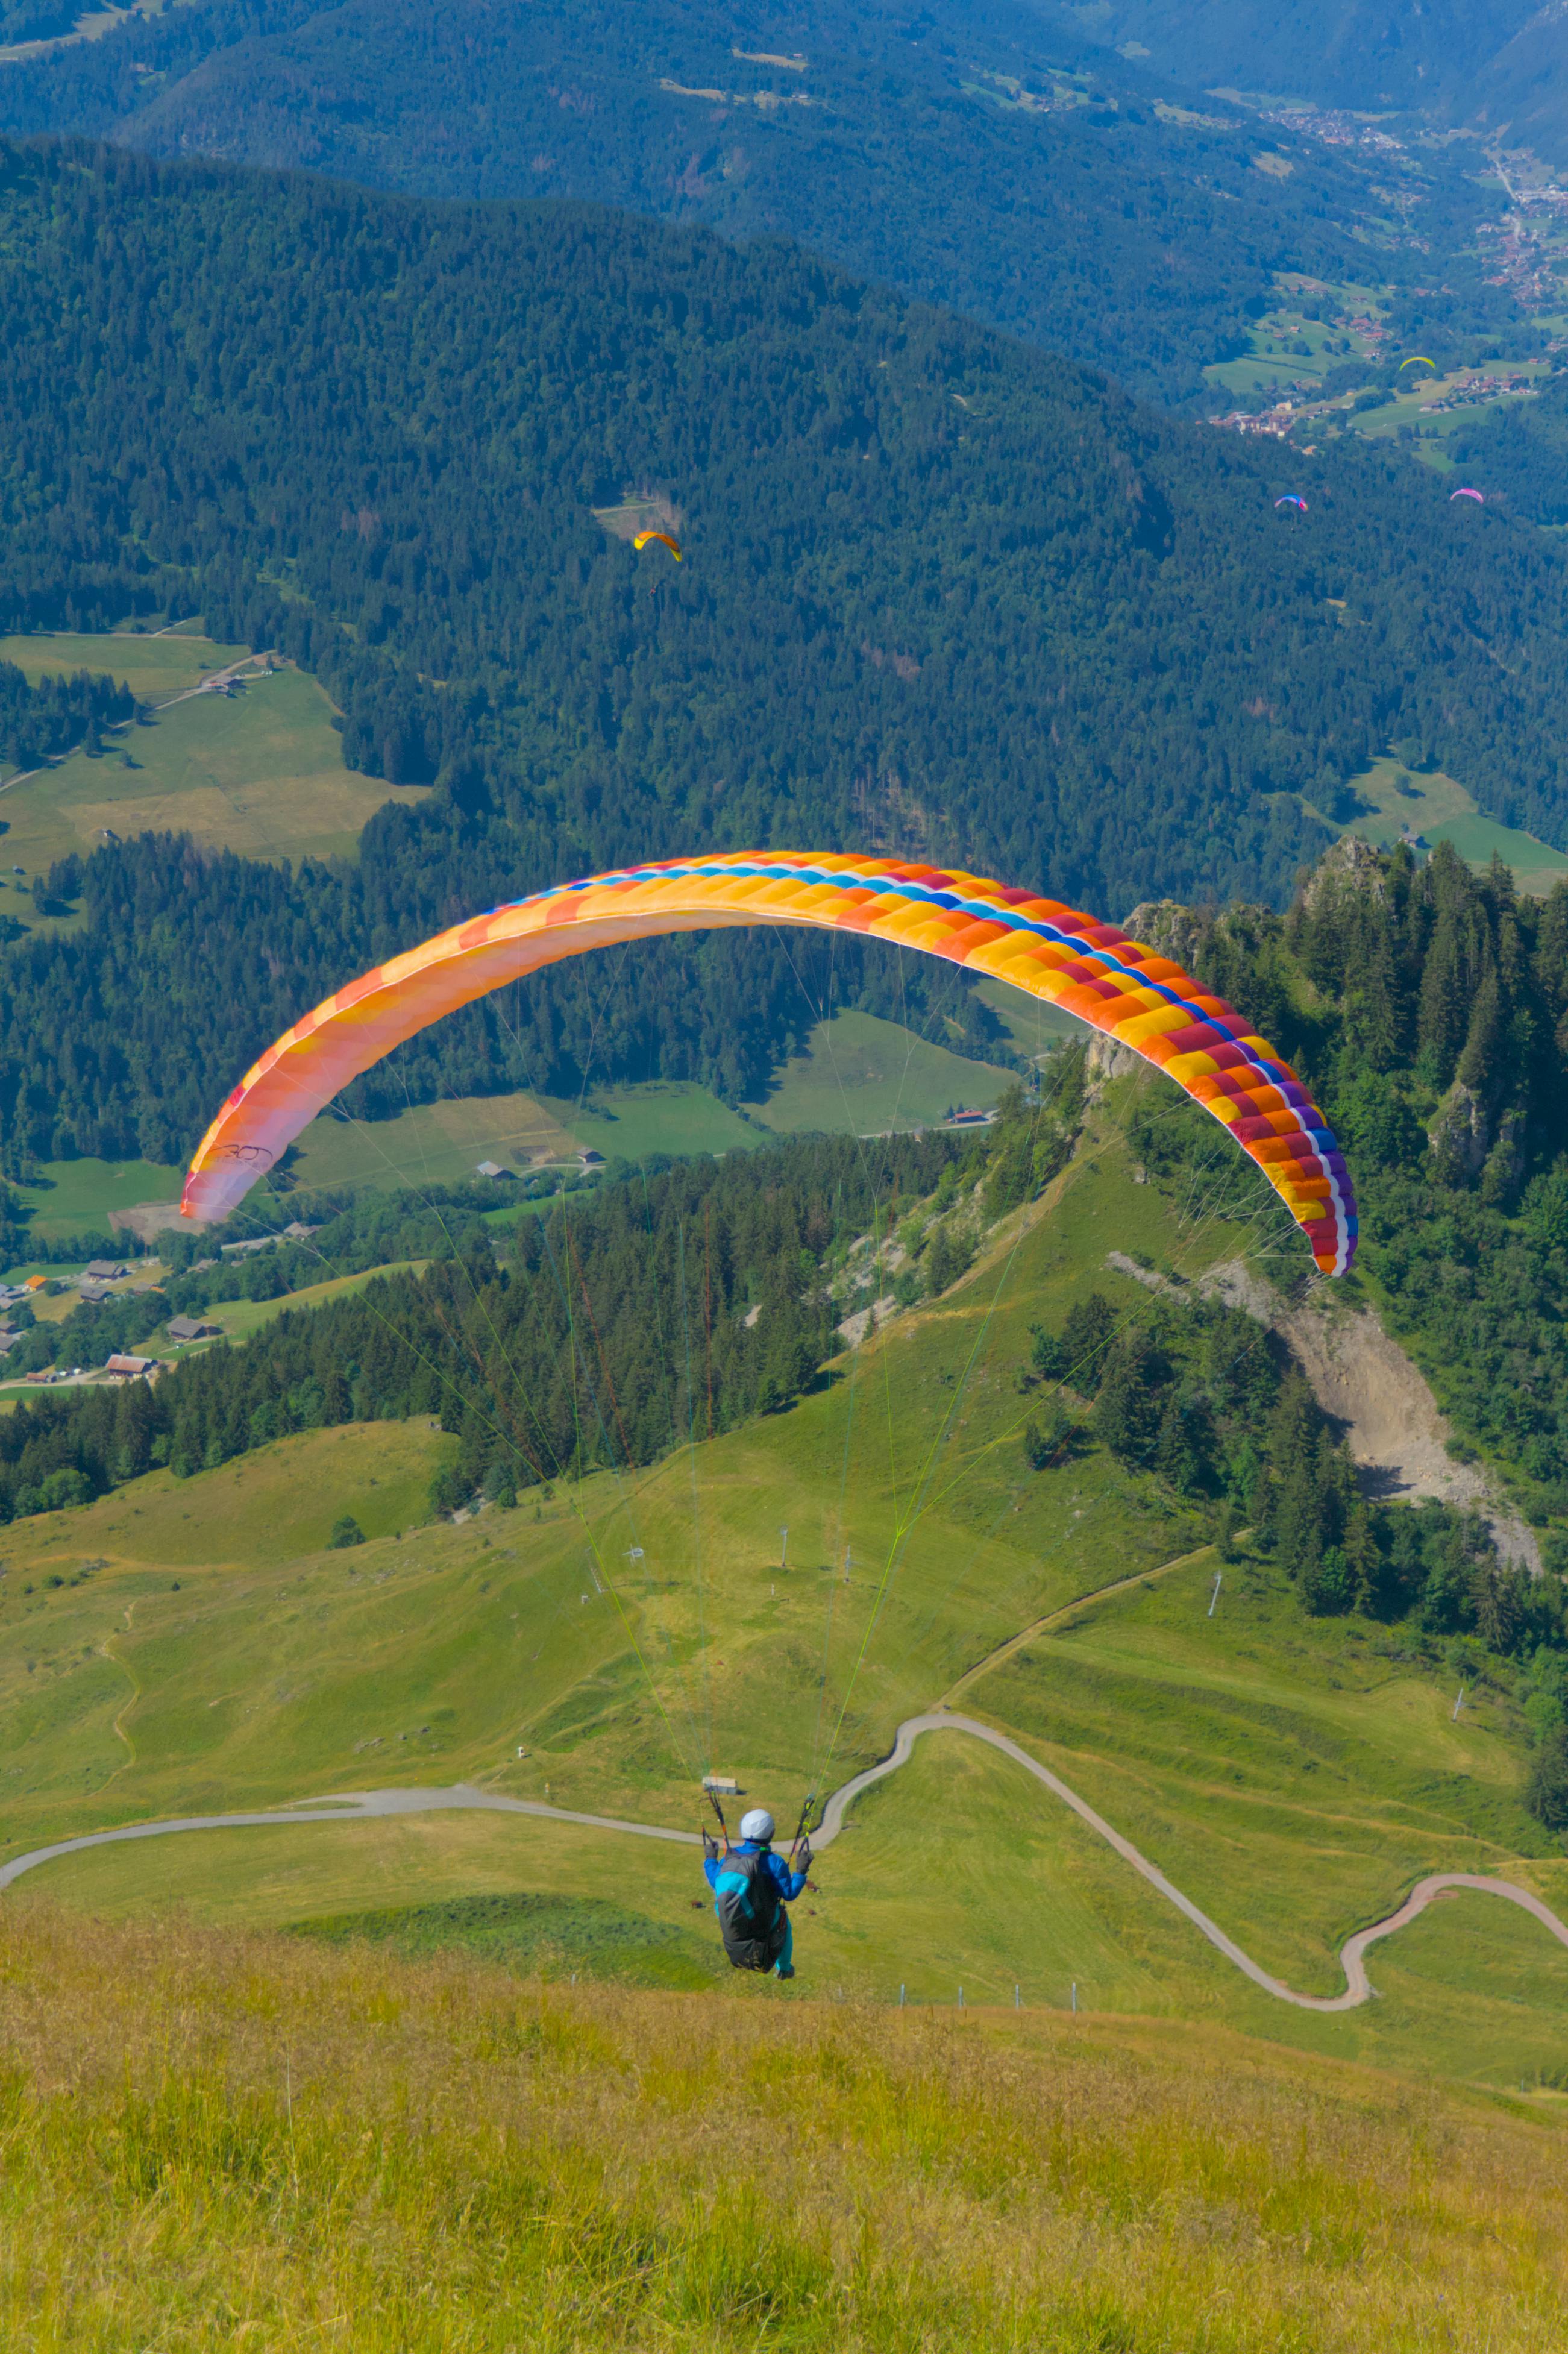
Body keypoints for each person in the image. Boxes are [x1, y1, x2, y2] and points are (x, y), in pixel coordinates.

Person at [703, 1807, 810, 1978]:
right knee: (784, 1922)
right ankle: (784, 1969)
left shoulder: (728, 1859)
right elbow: (789, 1894)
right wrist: (801, 1871)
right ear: (771, 1833)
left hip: (733, 1917)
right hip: (760, 1920)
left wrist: (710, 1859)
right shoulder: (774, 1862)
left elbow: (715, 1881)